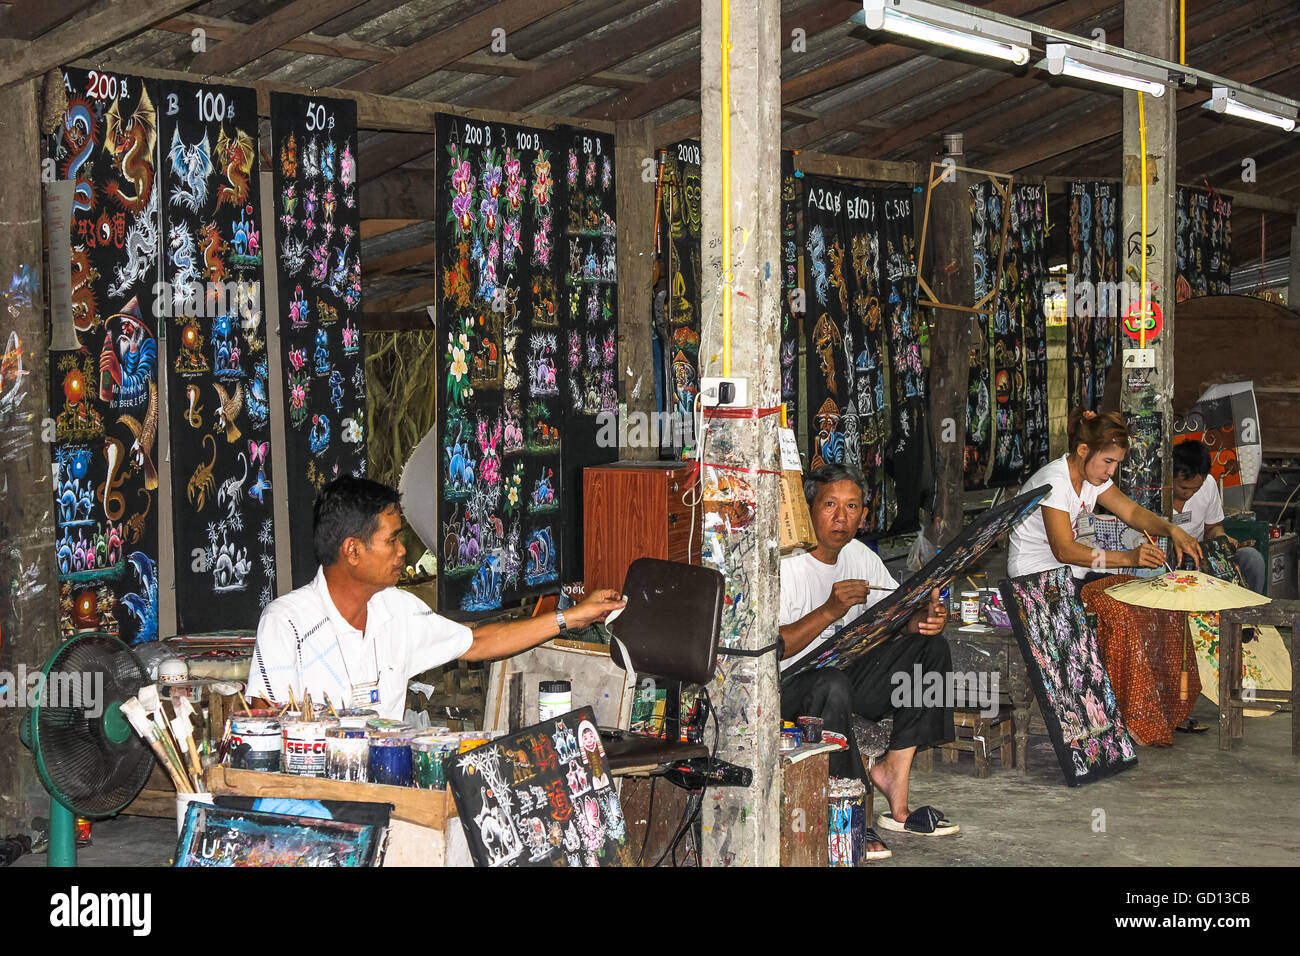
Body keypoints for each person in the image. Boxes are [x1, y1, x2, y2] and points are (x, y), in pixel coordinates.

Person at [246, 476, 624, 719]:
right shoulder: (288, 623)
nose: (402, 552)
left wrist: (571, 617)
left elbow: (477, 642)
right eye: (392, 539)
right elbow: (264, 722)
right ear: (353, 550)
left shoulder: (398, 609)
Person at [779, 464, 957, 860]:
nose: (841, 517)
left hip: (844, 679)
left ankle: (895, 777)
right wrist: (829, 610)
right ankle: (852, 809)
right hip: (790, 691)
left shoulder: (860, 555)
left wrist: (920, 622)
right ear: (809, 507)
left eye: (852, 506)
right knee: (830, 683)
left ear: (864, 514)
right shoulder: (785, 563)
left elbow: (894, 617)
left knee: (932, 650)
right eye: (829, 504)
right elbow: (774, 649)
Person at [1007, 408, 1202, 580]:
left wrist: (1172, 530)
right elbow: (1063, 550)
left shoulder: (1092, 477)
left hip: (1068, 571)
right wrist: (1128, 558)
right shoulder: (1055, 481)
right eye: (1108, 461)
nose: (1111, 471)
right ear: (1083, 450)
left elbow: (1132, 512)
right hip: (1033, 574)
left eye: (1117, 463)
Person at [1171, 439, 1267, 594]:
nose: (1188, 494)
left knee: (1251, 559)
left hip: (1201, 560)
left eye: (1195, 489)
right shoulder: (1156, 491)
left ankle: (1247, 615)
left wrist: (1221, 539)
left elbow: (1213, 527)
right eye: (1183, 487)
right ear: (1171, 476)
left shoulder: (1208, 484)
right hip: (1166, 562)